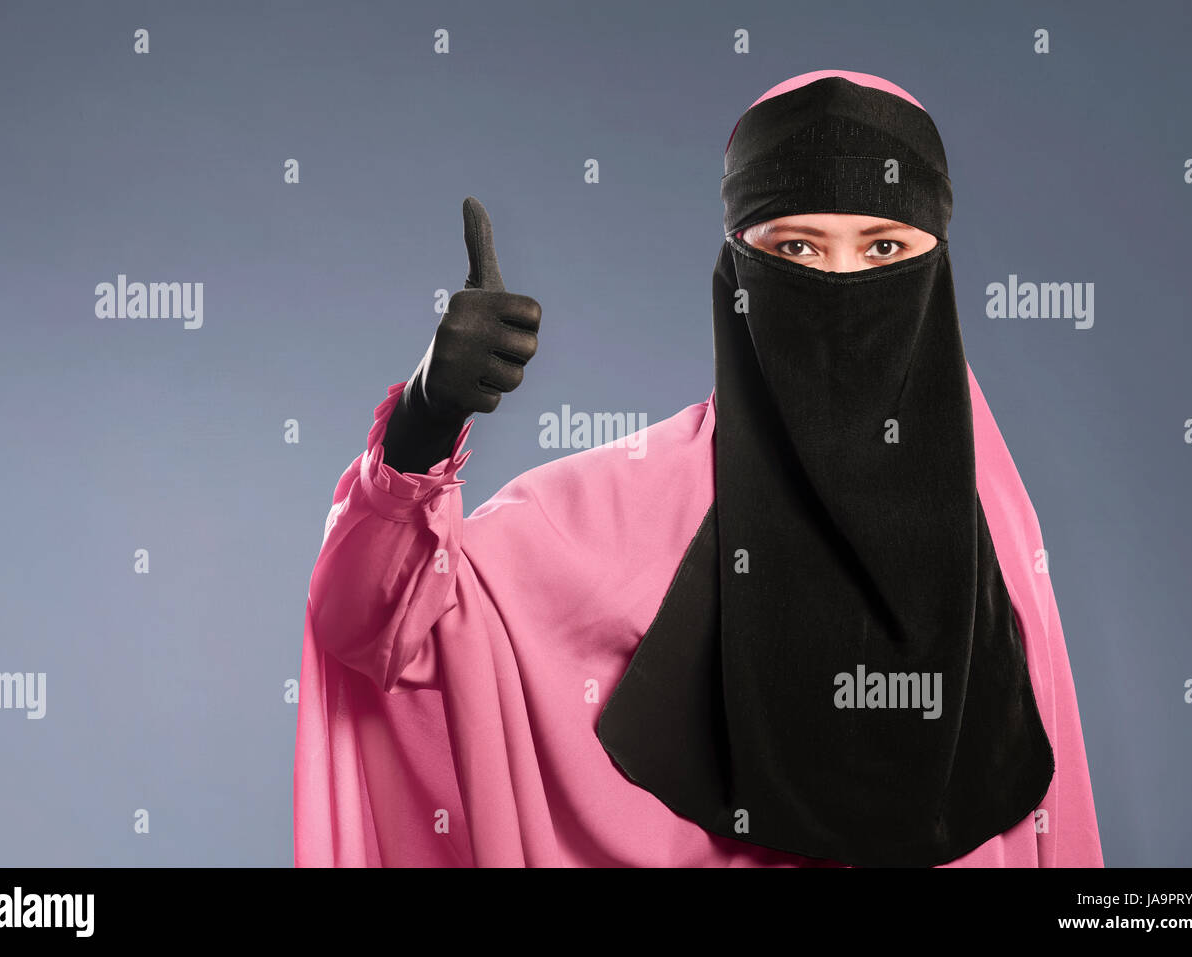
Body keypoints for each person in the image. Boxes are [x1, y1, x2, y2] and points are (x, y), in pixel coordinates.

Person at [293, 69, 1104, 867]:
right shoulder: (611, 514)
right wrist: (423, 424)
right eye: (796, 247)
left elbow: (1054, 829)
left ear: (936, 262)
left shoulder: (991, 525)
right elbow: (370, 627)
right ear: (739, 265)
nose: (840, 283)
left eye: (884, 246)